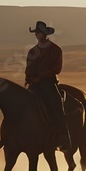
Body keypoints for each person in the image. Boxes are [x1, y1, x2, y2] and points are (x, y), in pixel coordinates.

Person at [25, 21, 71, 150]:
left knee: (56, 103)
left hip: (49, 82)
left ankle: (64, 137)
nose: (38, 35)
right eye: (37, 33)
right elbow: (28, 67)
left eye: (40, 33)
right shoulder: (32, 51)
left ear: (45, 34)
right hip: (34, 83)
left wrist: (40, 77)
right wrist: (29, 77)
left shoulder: (55, 50)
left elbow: (56, 69)